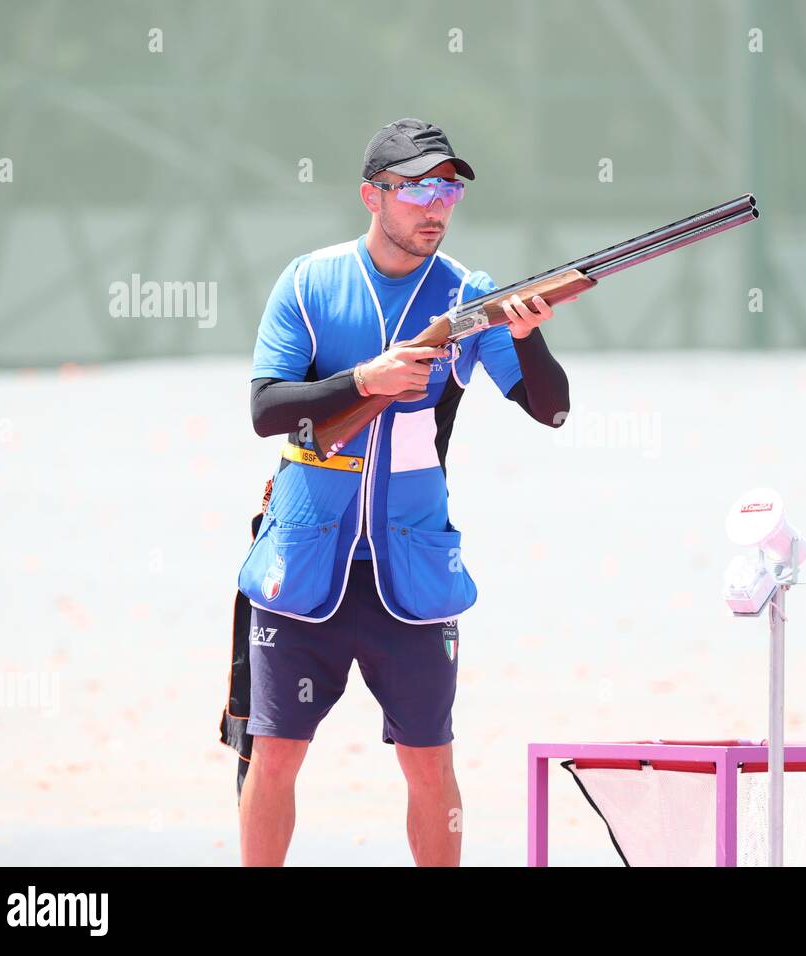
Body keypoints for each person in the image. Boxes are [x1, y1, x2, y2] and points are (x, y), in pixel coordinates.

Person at [234, 118, 571, 866]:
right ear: (372, 195)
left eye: (448, 188)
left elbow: (552, 408)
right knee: (275, 754)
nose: (436, 205)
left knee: (429, 763)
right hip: (301, 562)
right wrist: (365, 381)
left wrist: (525, 336)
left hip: (413, 573)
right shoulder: (309, 282)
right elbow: (266, 411)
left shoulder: (471, 297)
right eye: (417, 187)